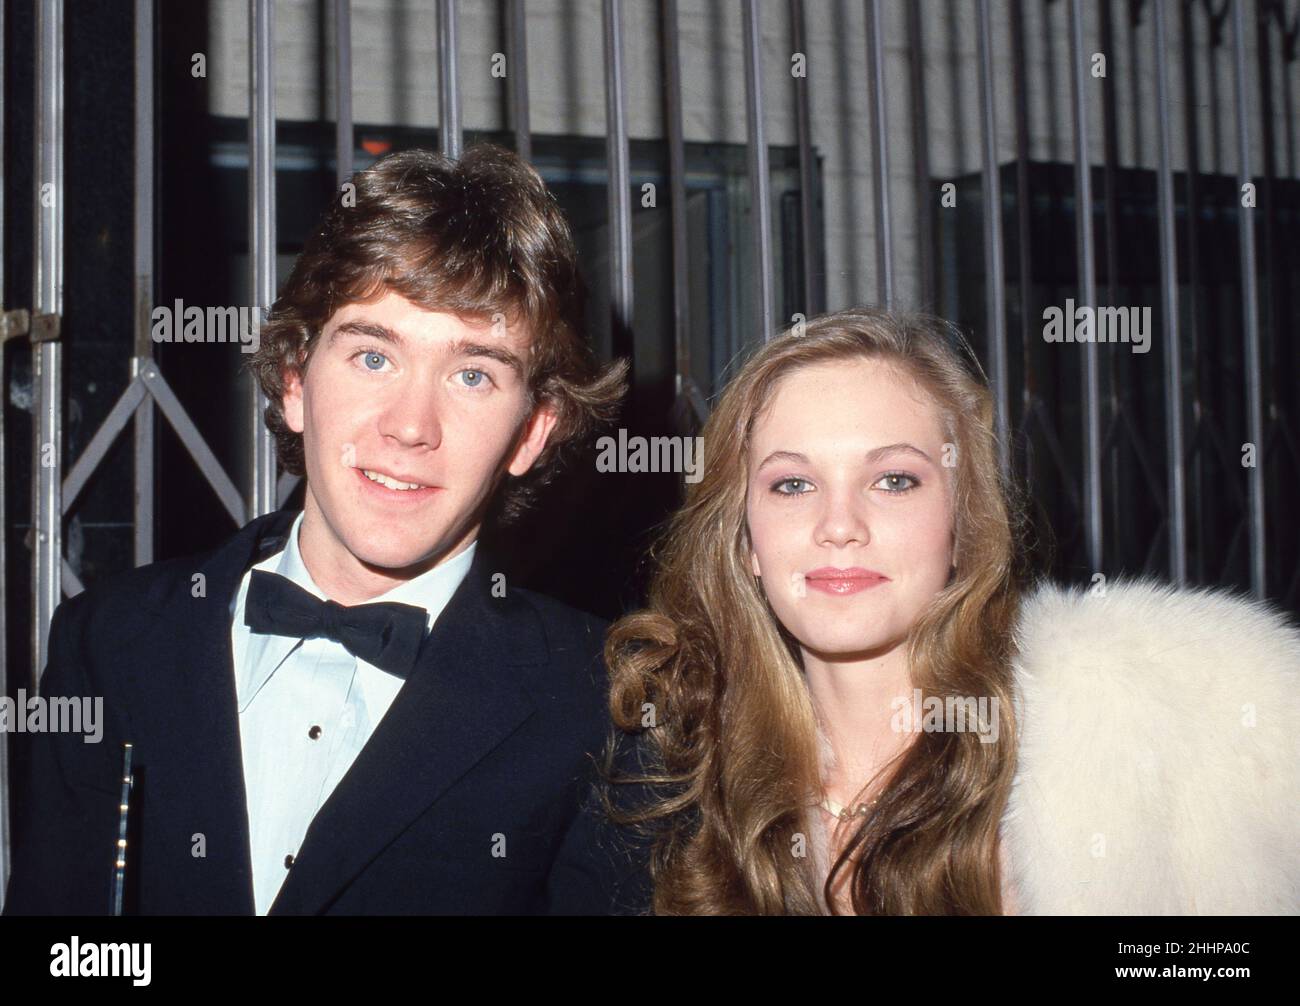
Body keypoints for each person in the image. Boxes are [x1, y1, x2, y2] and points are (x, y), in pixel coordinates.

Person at [4, 144, 629, 915]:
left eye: (473, 375)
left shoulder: (605, 704)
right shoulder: (111, 639)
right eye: (373, 356)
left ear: (532, 431)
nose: (410, 427)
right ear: (296, 382)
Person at [579, 307, 1300, 915]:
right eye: (792, 484)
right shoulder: (667, 794)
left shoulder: (1118, 771)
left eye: (894, 479)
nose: (840, 525)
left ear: (960, 525)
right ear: (745, 545)